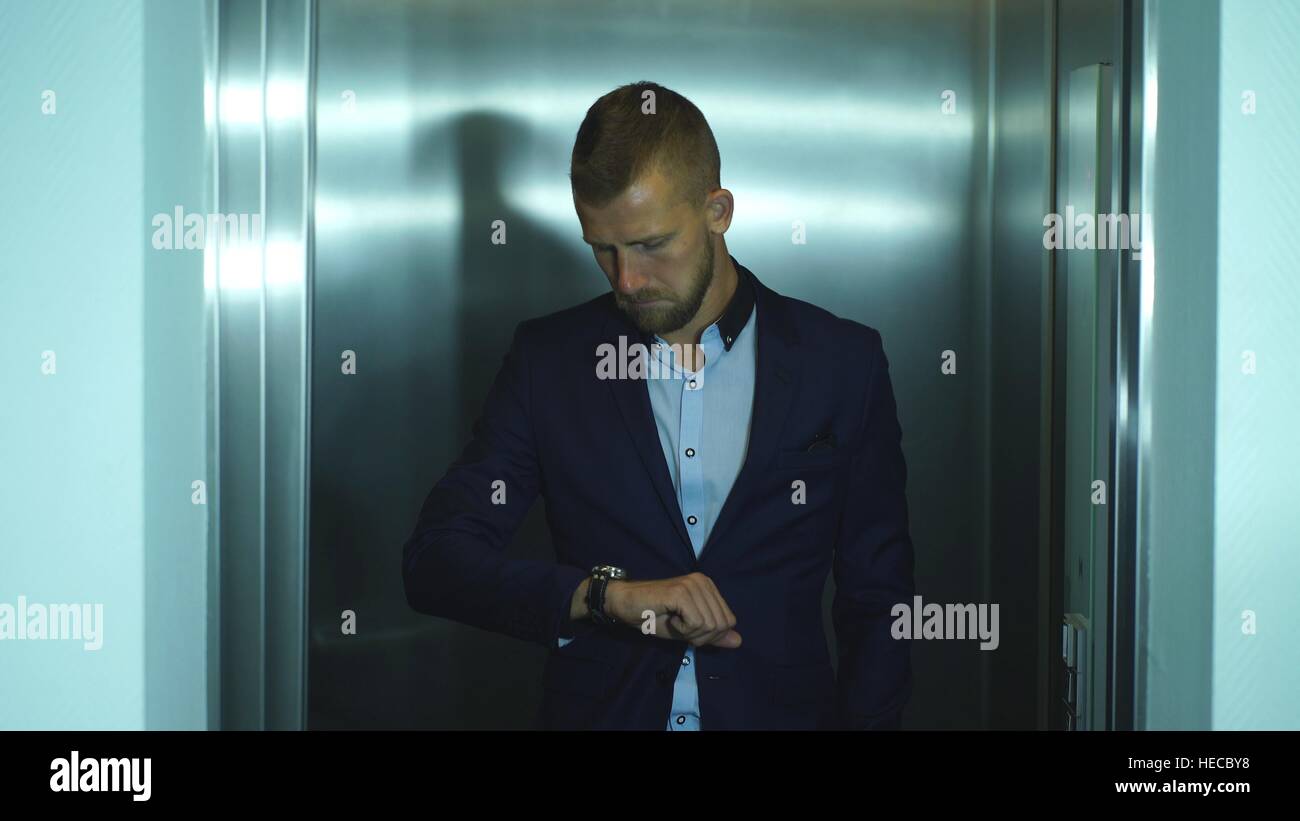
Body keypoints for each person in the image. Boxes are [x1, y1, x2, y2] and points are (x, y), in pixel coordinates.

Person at [402, 80, 914, 730]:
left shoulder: (842, 362)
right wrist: (605, 597)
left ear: (718, 209)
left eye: (650, 244)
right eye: (602, 249)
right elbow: (435, 560)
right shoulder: (549, 362)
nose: (626, 280)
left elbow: (880, 601)